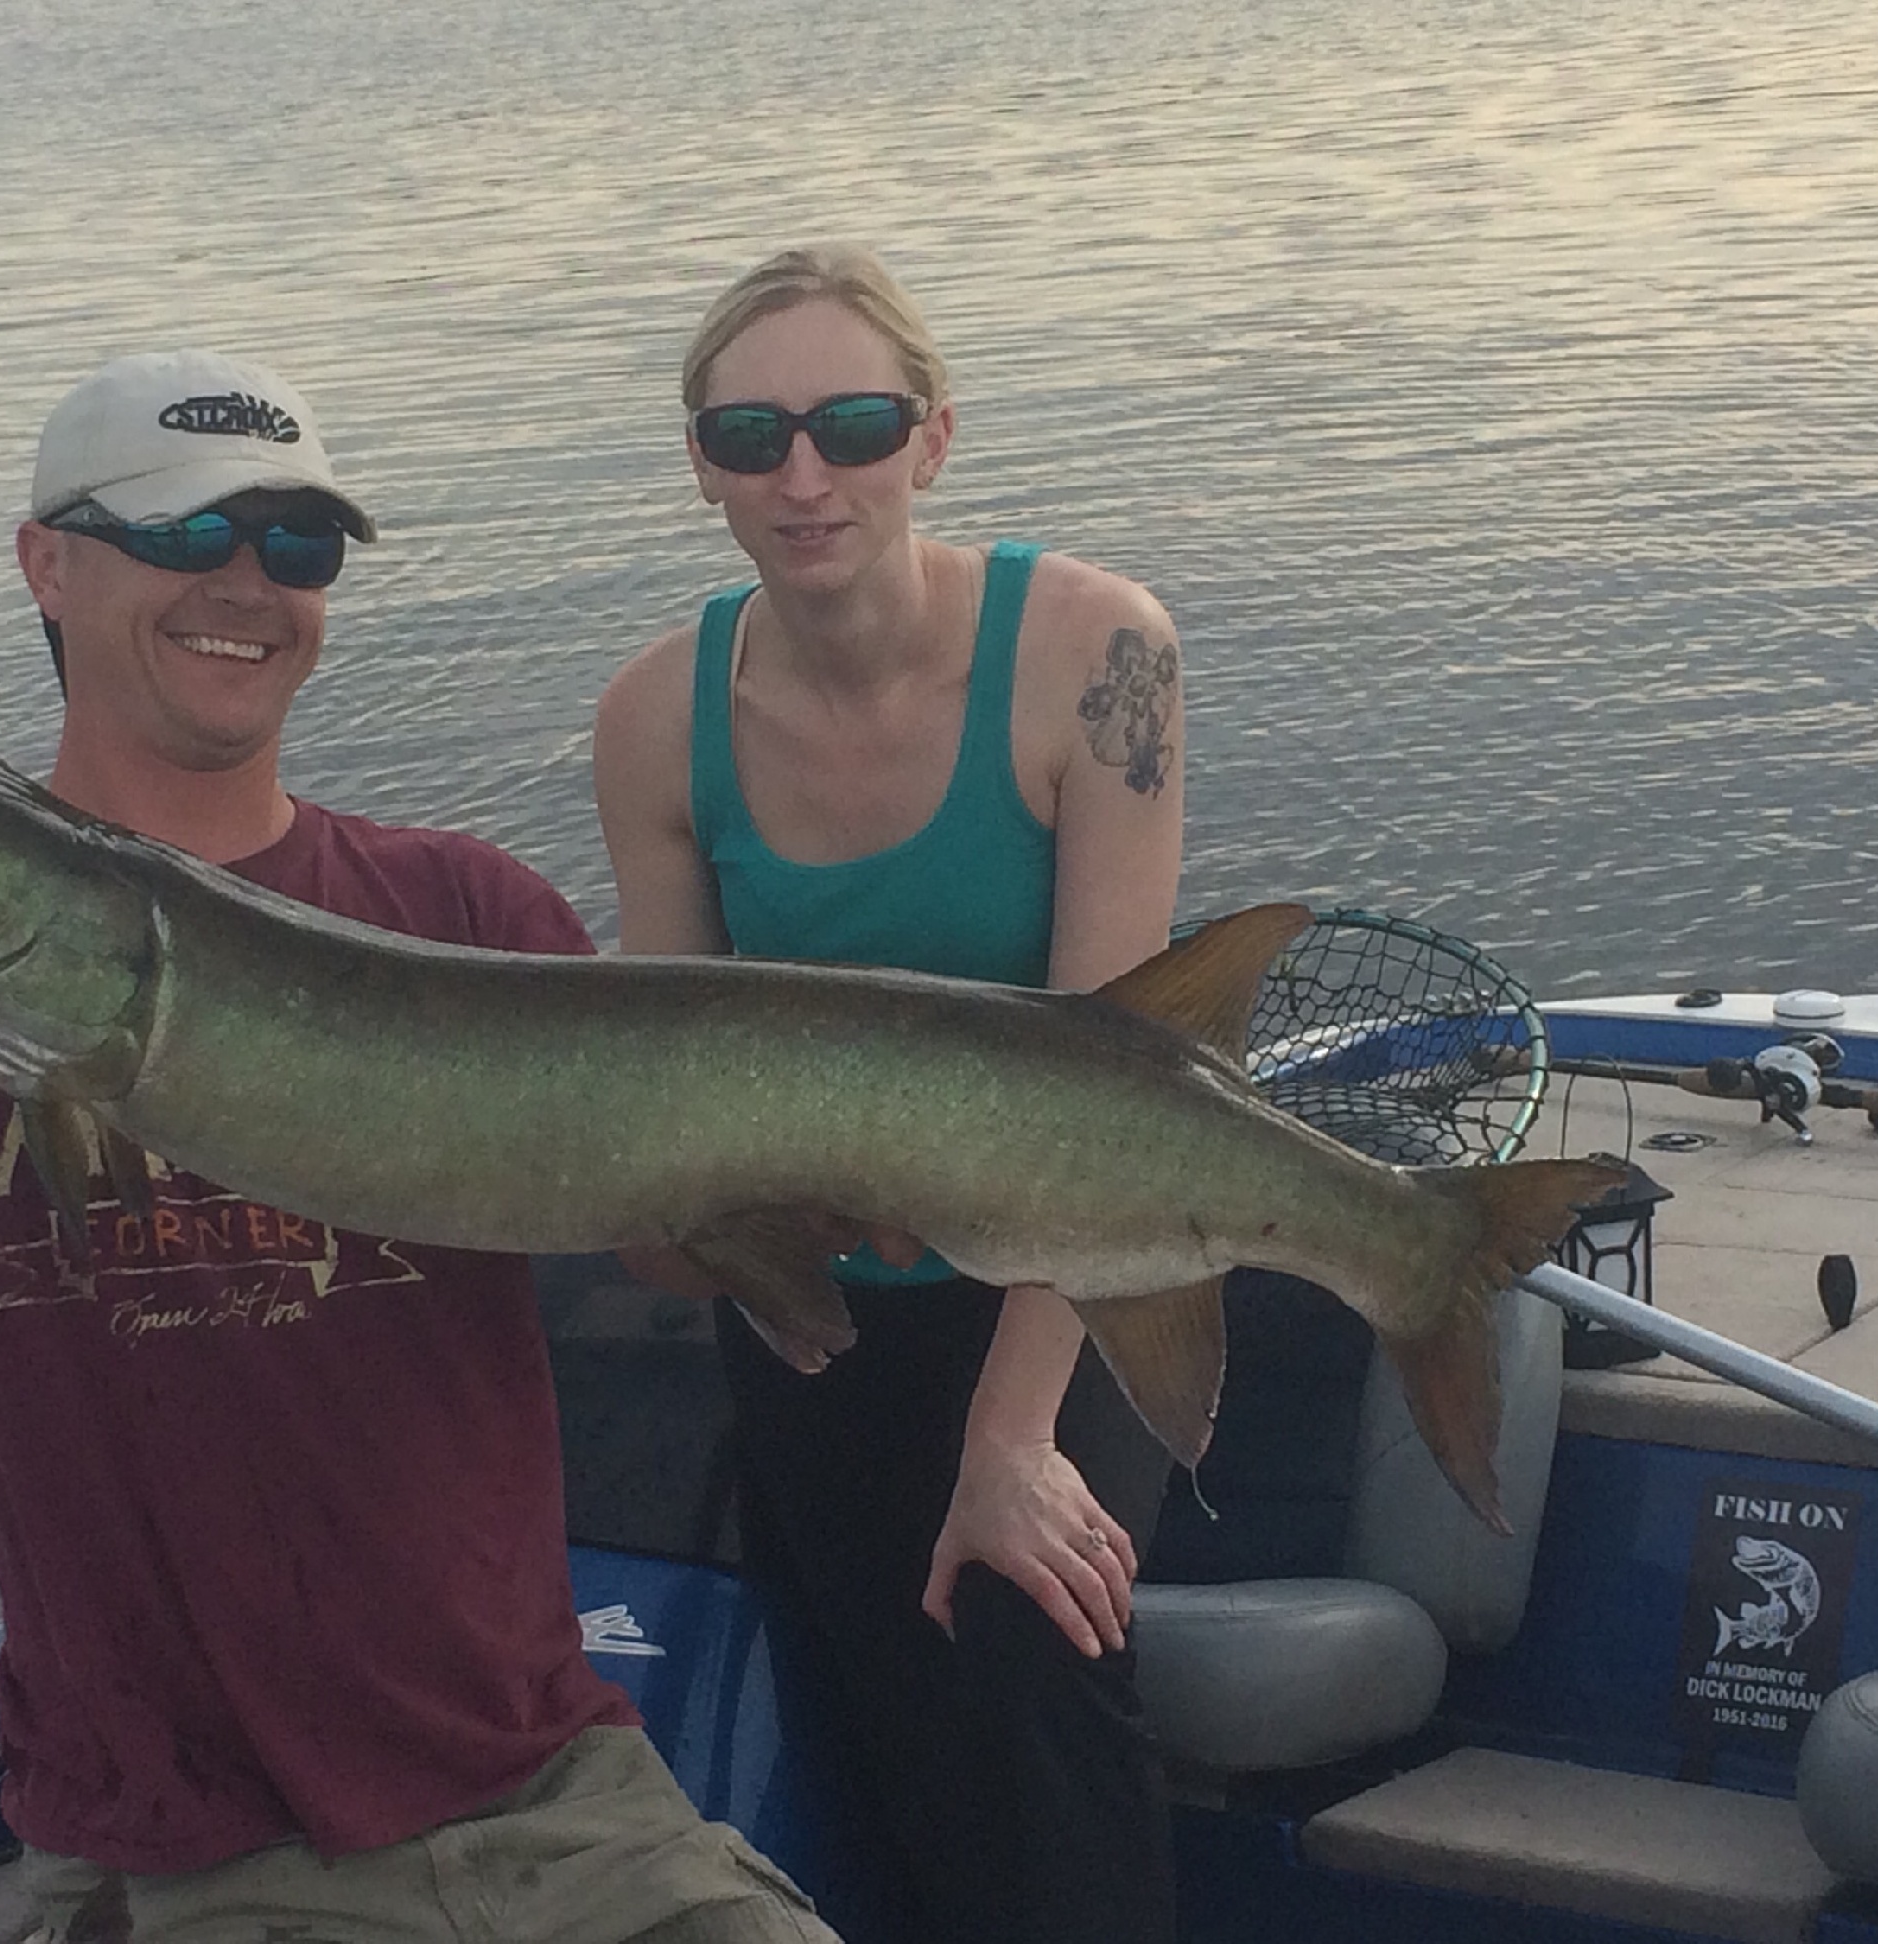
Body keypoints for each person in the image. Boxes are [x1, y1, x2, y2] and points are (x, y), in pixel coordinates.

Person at [0, 348, 840, 1944]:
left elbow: (668, 1236)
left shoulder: (464, 913)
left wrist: (837, 1179)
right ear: (44, 562)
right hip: (183, 1858)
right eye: (188, 538)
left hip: (558, 1808)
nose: (248, 588)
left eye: (296, 547)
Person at [593, 247, 1187, 1944]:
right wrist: (673, 1230)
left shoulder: (1098, 654)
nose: (803, 476)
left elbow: (1114, 1102)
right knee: (874, 1731)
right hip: (823, 1309)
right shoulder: (653, 723)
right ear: (699, 461)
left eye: (852, 423)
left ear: (931, 439)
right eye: (749, 435)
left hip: (1088, 1266)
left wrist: (1009, 1444)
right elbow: (669, 1109)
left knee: (1026, 1640)